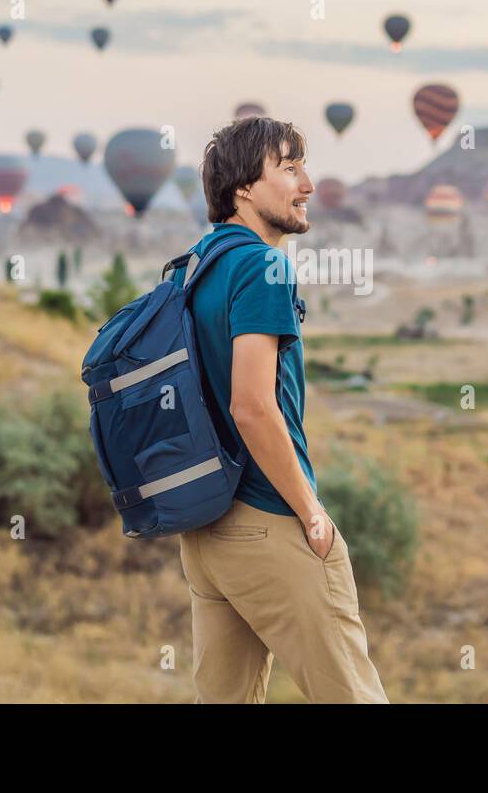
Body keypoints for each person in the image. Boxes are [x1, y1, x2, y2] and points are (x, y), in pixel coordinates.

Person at [173, 115, 389, 703]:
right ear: (244, 187)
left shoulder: (196, 266)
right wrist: (311, 513)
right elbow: (252, 407)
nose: (308, 184)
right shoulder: (264, 266)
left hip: (206, 532)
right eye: (289, 168)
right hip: (268, 519)